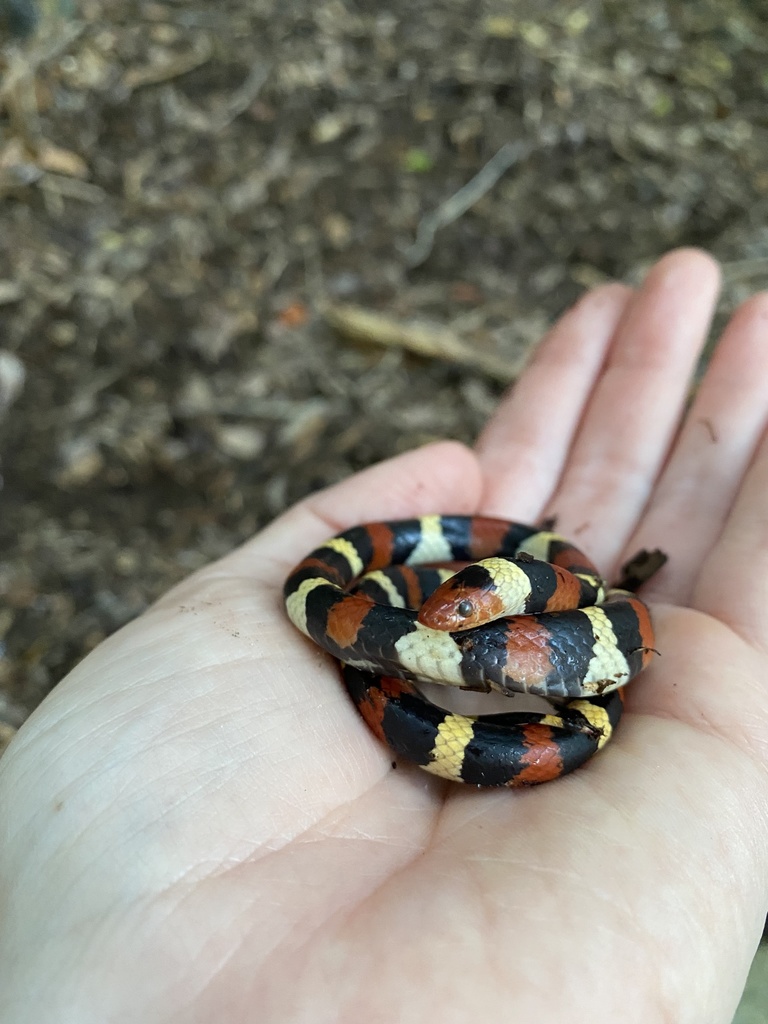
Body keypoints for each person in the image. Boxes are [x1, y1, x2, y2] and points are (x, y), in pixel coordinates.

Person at [1, 248, 766, 1023]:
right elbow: (366, 598)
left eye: (462, 615)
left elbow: (562, 605)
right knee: (333, 591)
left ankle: (569, 708)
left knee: (527, 628)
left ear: (502, 594)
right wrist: (366, 603)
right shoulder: (505, 593)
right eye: (454, 611)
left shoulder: (567, 590)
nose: (446, 618)